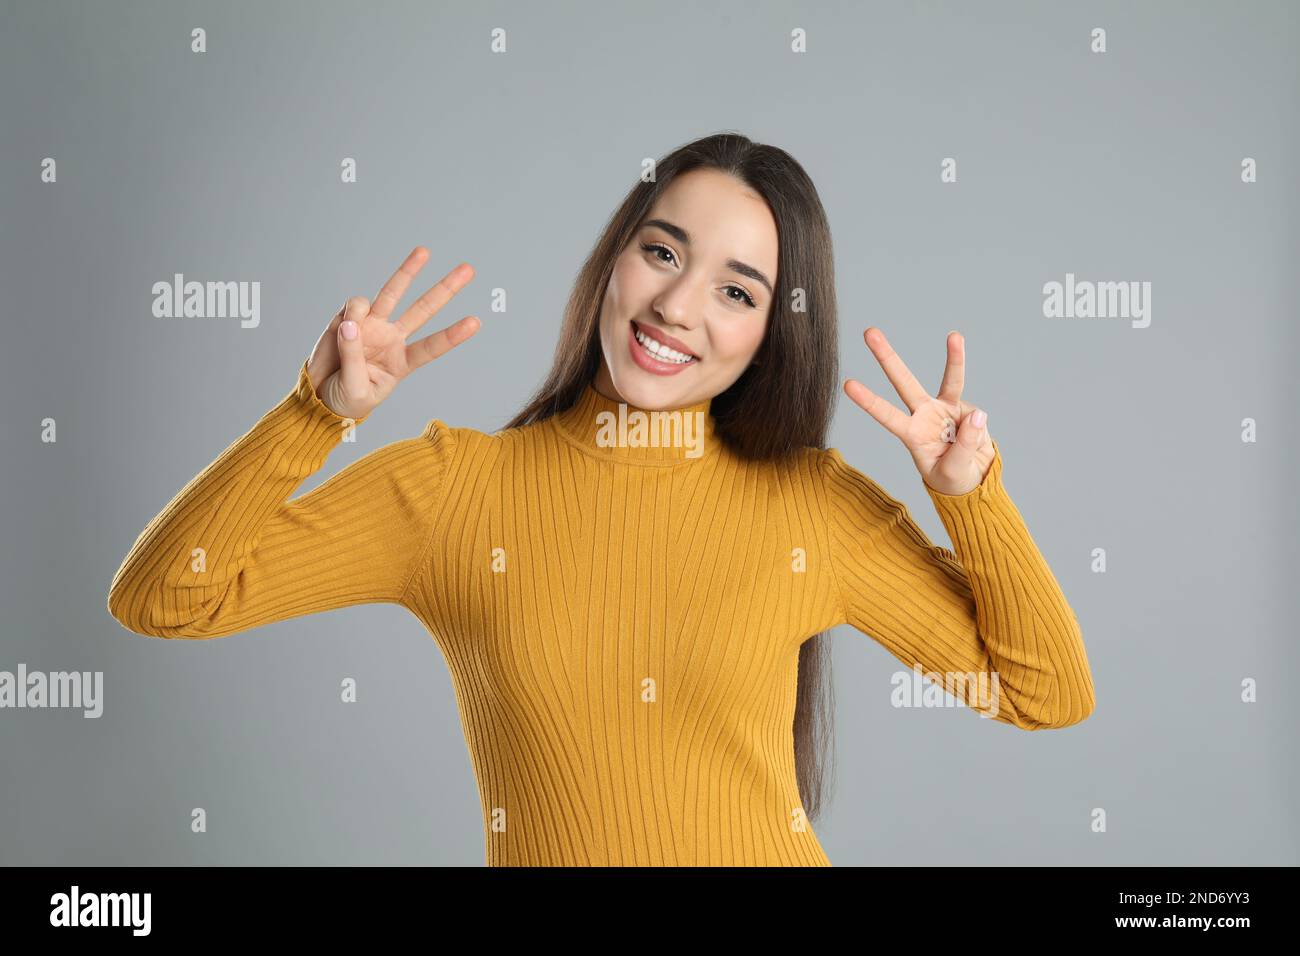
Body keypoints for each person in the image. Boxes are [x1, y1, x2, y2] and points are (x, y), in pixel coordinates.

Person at [107, 132, 1095, 866]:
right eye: (663, 252)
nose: (676, 306)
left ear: (771, 334)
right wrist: (312, 414)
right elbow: (163, 597)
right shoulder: (454, 489)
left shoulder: (811, 505)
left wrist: (973, 497)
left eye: (737, 291)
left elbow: (1044, 694)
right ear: (613, 261)